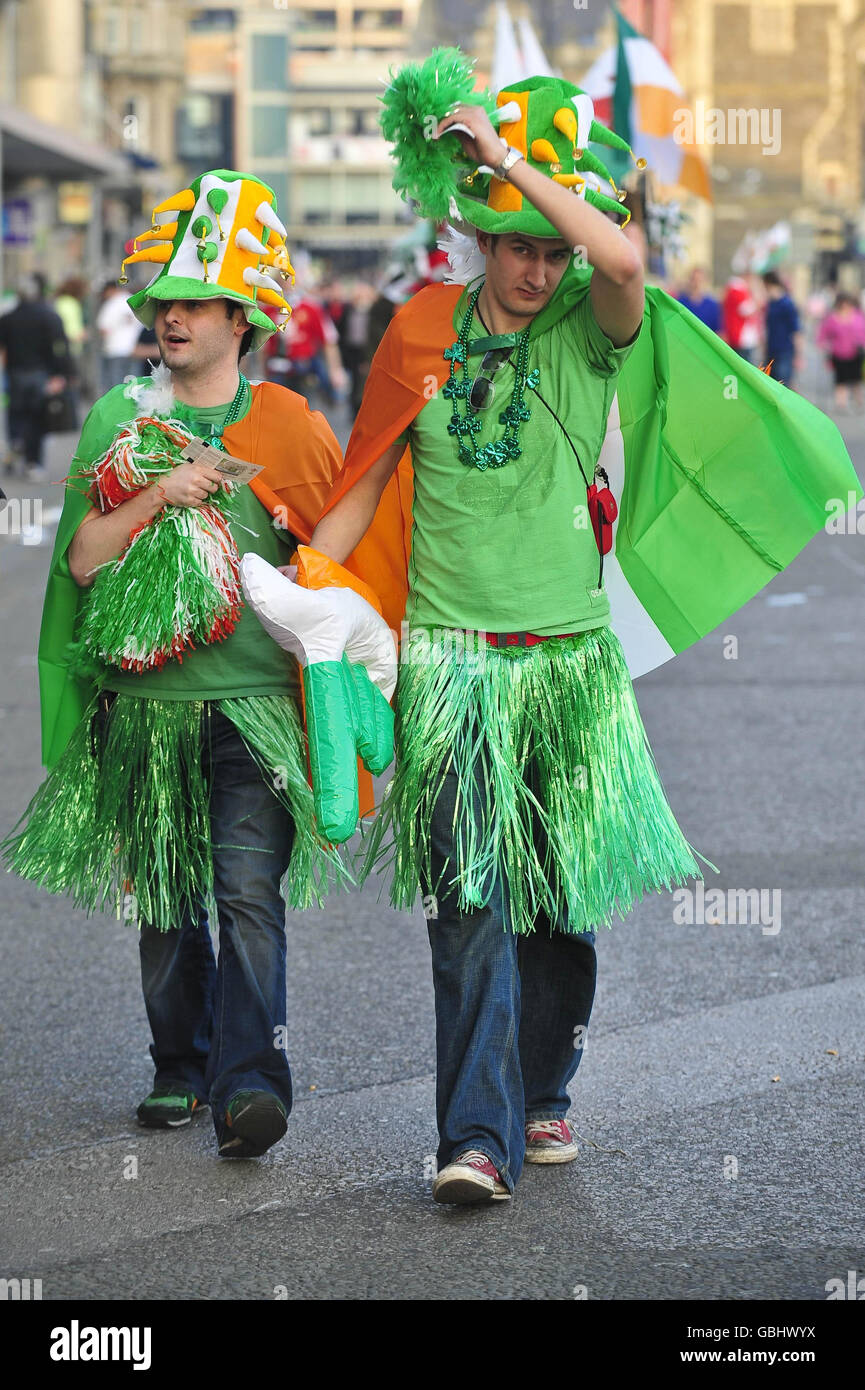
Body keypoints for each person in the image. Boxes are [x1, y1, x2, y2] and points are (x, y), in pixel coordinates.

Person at [300, 59, 860, 1208]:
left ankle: (543, 1084)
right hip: (452, 664)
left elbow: (621, 259)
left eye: (545, 248)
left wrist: (510, 161)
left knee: (557, 908)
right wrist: (295, 587)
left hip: (568, 668)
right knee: (467, 906)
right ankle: (475, 1136)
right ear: (475, 237)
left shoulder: (590, 324)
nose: (535, 267)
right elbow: (360, 489)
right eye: (514, 246)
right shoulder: (414, 331)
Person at [2, 170, 369, 1161]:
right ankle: (180, 1065)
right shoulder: (116, 421)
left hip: (253, 706)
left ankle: (252, 1081)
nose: (171, 315)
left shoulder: (292, 425)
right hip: (145, 709)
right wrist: (157, 495)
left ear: (241, 318)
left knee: (249, 897)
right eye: (164, 300)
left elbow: (340, 557)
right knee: (165, 907)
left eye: (195, 302)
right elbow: (82, 561)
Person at [0, 272, 72, 479]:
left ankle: (15, 442)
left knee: (15, 413)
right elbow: (61, 348)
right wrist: (62, 374)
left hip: (15, 373)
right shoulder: (49, 317)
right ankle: (34, 461)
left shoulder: (8, 318)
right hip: (42, 374)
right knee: (38, 418)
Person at [816, 291, 865, 411]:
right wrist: (824, 345)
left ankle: (859, 401)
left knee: (856, 378)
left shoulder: (858, 316)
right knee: (840, 379)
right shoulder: (832, 318)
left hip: (855, 353)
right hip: (838, 353)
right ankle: (841, 403)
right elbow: (823, 333)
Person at [95, 280, 142, 393]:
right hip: (133, 349)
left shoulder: (111, 304)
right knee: (134, 386)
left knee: (116, 388)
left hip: (114, 350)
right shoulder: (132, 300)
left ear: (110, 290)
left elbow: (103, 329)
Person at [762, 270, 802, 387]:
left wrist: (798, 355)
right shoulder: (770, 303)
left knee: (783, 385)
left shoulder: (787, 304)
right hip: (771, 349)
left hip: (785, 350)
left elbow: (796, 331)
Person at [722, 273, 762, 363]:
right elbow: (746, 310)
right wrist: (757, 301)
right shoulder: (737, 290)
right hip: (741, 338)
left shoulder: (736, 290)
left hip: (741, 338)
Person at [676, 266, 721, 333]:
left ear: (705, 281)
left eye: (699, 280)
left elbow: (719, 331)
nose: (696, 284)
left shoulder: (712, 306)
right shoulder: (681, 303)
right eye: (694, 279)